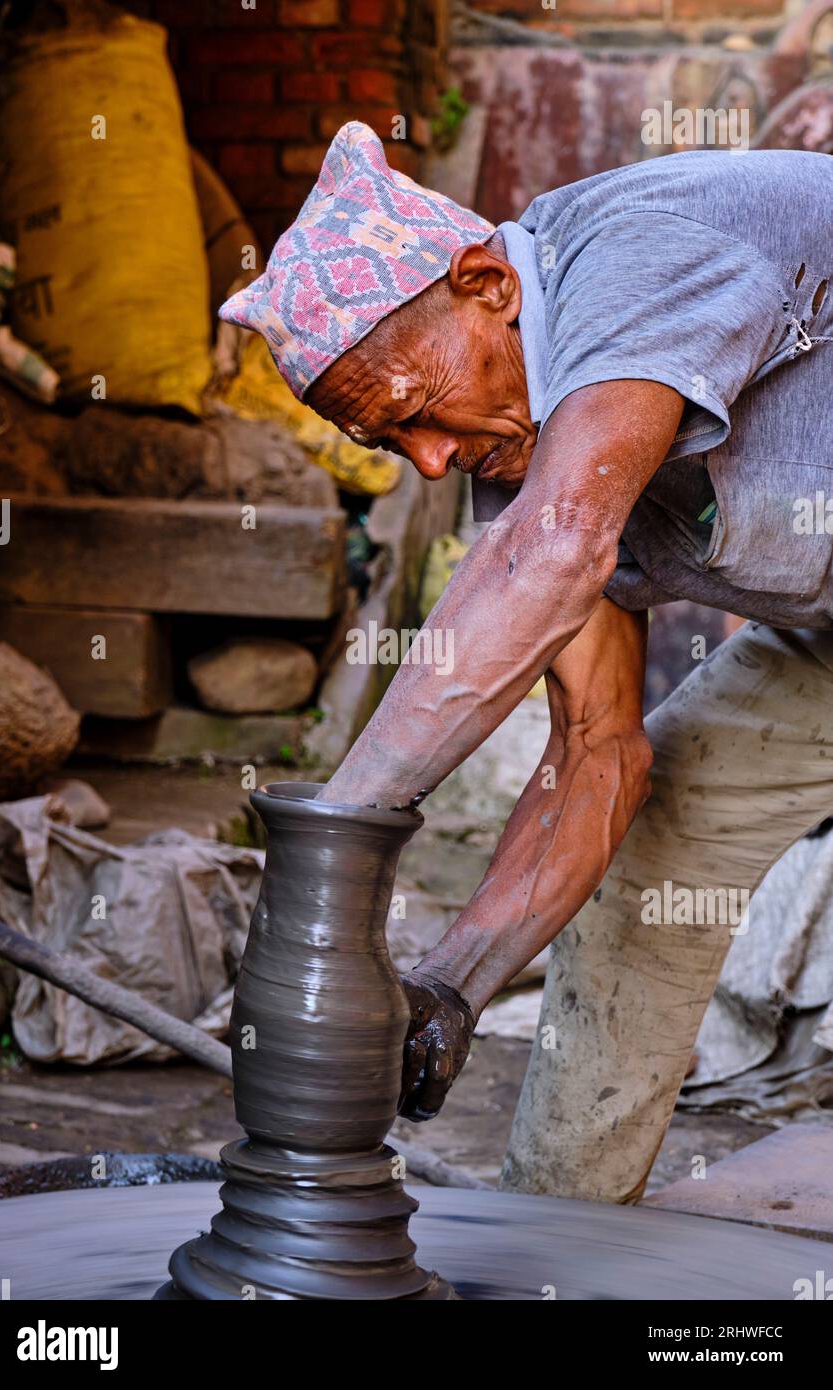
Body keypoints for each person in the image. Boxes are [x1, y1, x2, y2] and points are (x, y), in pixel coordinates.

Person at [220, 121, 833, 1202]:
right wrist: (448, 985)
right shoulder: (517, 456)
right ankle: (559, 1233)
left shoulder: (643, 252)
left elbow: (557, 549)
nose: (428, 461)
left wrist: (337, 838)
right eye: (386, 447)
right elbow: (596, 752)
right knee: (666, 823)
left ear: (484, 283)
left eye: (413, 411)